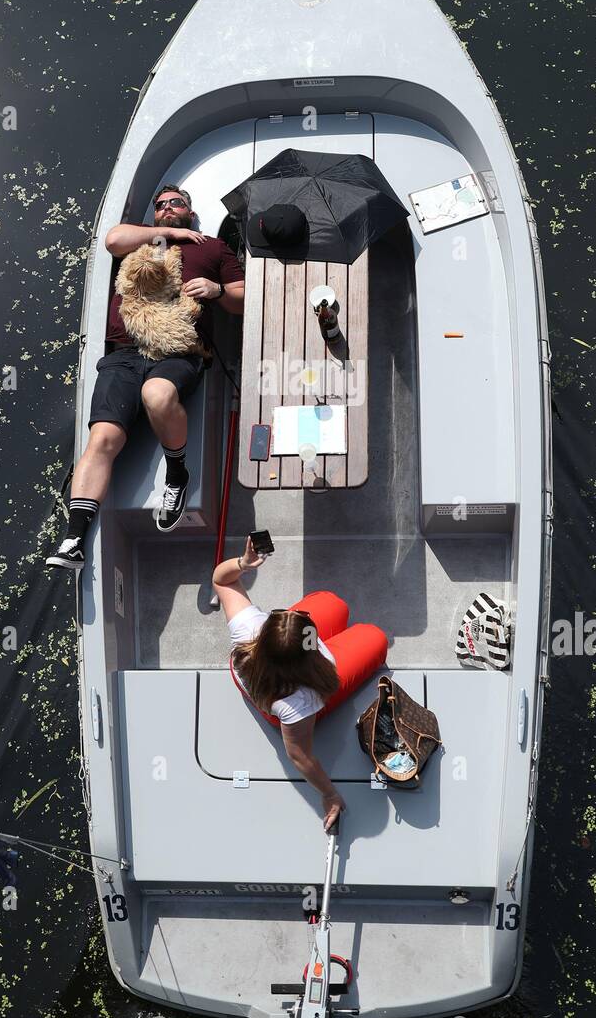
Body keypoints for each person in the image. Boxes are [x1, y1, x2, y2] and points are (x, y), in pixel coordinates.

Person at [46, 185, 245, 570]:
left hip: (176, 351)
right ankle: (74, 539)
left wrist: (217, 289)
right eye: (161, 205)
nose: (168, 208)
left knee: (157, 395)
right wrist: (168, 235)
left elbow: (244, 297)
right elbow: (113, 239)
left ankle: (177, 471)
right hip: (123, 354)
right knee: (103, 437)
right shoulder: (143, 241)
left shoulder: (212, 248)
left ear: (191, 209)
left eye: (177, 203)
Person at [212, 537, 389, 829]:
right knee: (375, 638)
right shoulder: (301, 700)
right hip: (280, 699)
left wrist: (244, 564)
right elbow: (299, 755)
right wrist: (329, 794)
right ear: (311, 654)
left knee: (334, 604)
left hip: (259, 673)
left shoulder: (250, 628)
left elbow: (222, 581)